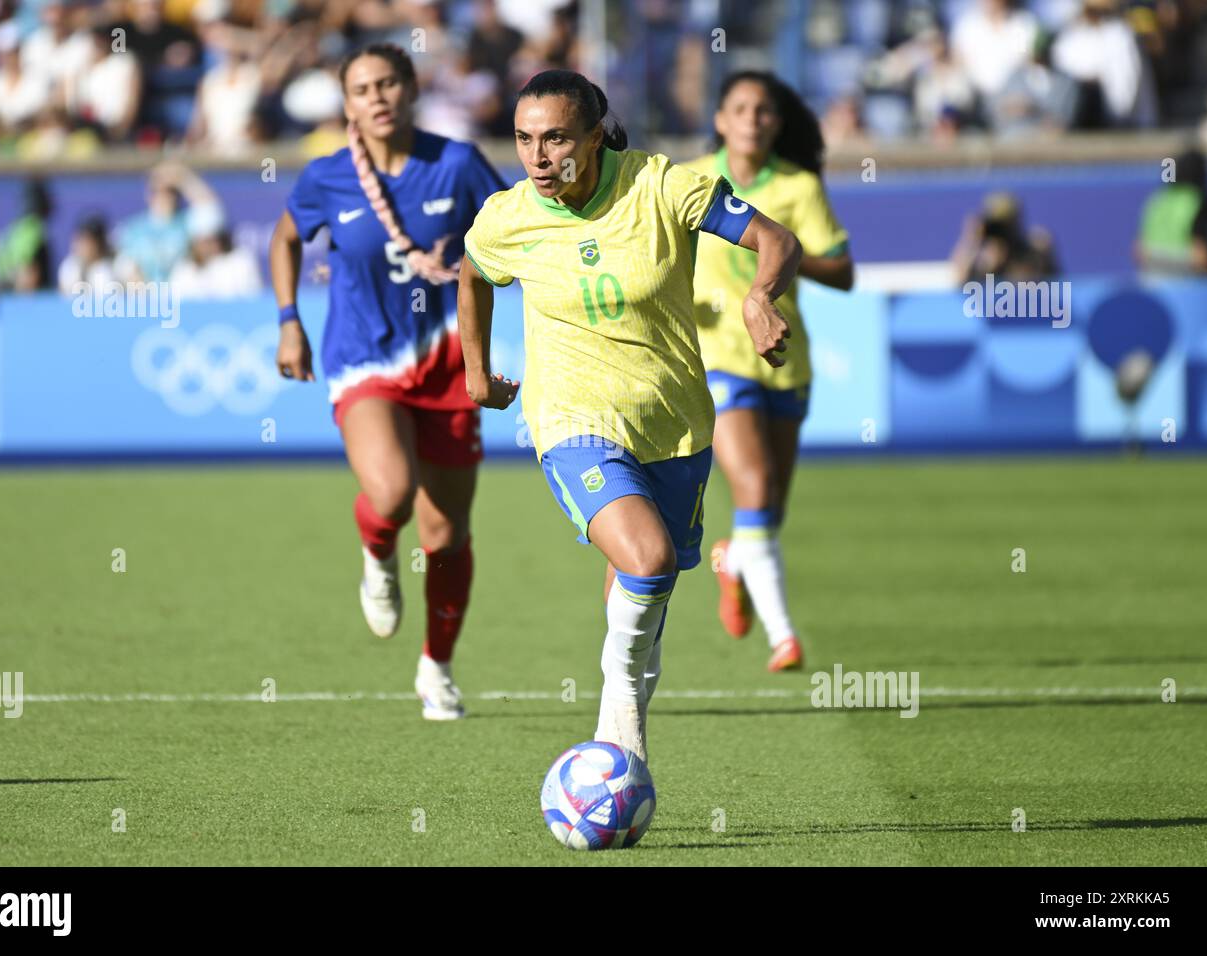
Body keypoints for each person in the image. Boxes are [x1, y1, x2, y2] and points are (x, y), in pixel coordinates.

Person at [458, 69, 802, 761]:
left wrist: (761, 297)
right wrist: (474, 367)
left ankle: (623, 739)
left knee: (647, 587)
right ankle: (618, 715)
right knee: (645, 560)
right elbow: (471, 271)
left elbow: (777, 240)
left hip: (673, 424)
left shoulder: (661, 185)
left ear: (593, 134)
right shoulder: (508, 216)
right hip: (571, 420)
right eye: (525, 140)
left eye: (555, 138)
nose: (538, 156)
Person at [271, 43, 505, 720]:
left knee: (446, 533)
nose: (376, 97)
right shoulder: (326, 177)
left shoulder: (456, 164)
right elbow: (286, 238)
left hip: (449, 365)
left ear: (411, 89)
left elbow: (518, 232)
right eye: (361, 88)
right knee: (393, 493)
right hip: (363, 360)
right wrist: (289, 320)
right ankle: (376, 554)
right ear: (346, 104)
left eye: (389, 83)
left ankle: (437, 667)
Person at [685, 71, 853, 672]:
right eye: (740, 108)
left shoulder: (798, 186)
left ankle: (732, 561)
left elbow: (843, 271)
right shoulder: (692, 181)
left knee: (770, 506)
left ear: (776, 124)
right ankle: (785, 636)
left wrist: (785, 255)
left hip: (784, 354)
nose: (753, 119)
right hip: (718, 354)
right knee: (753, 485)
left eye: (764, 111)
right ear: (720, 120)